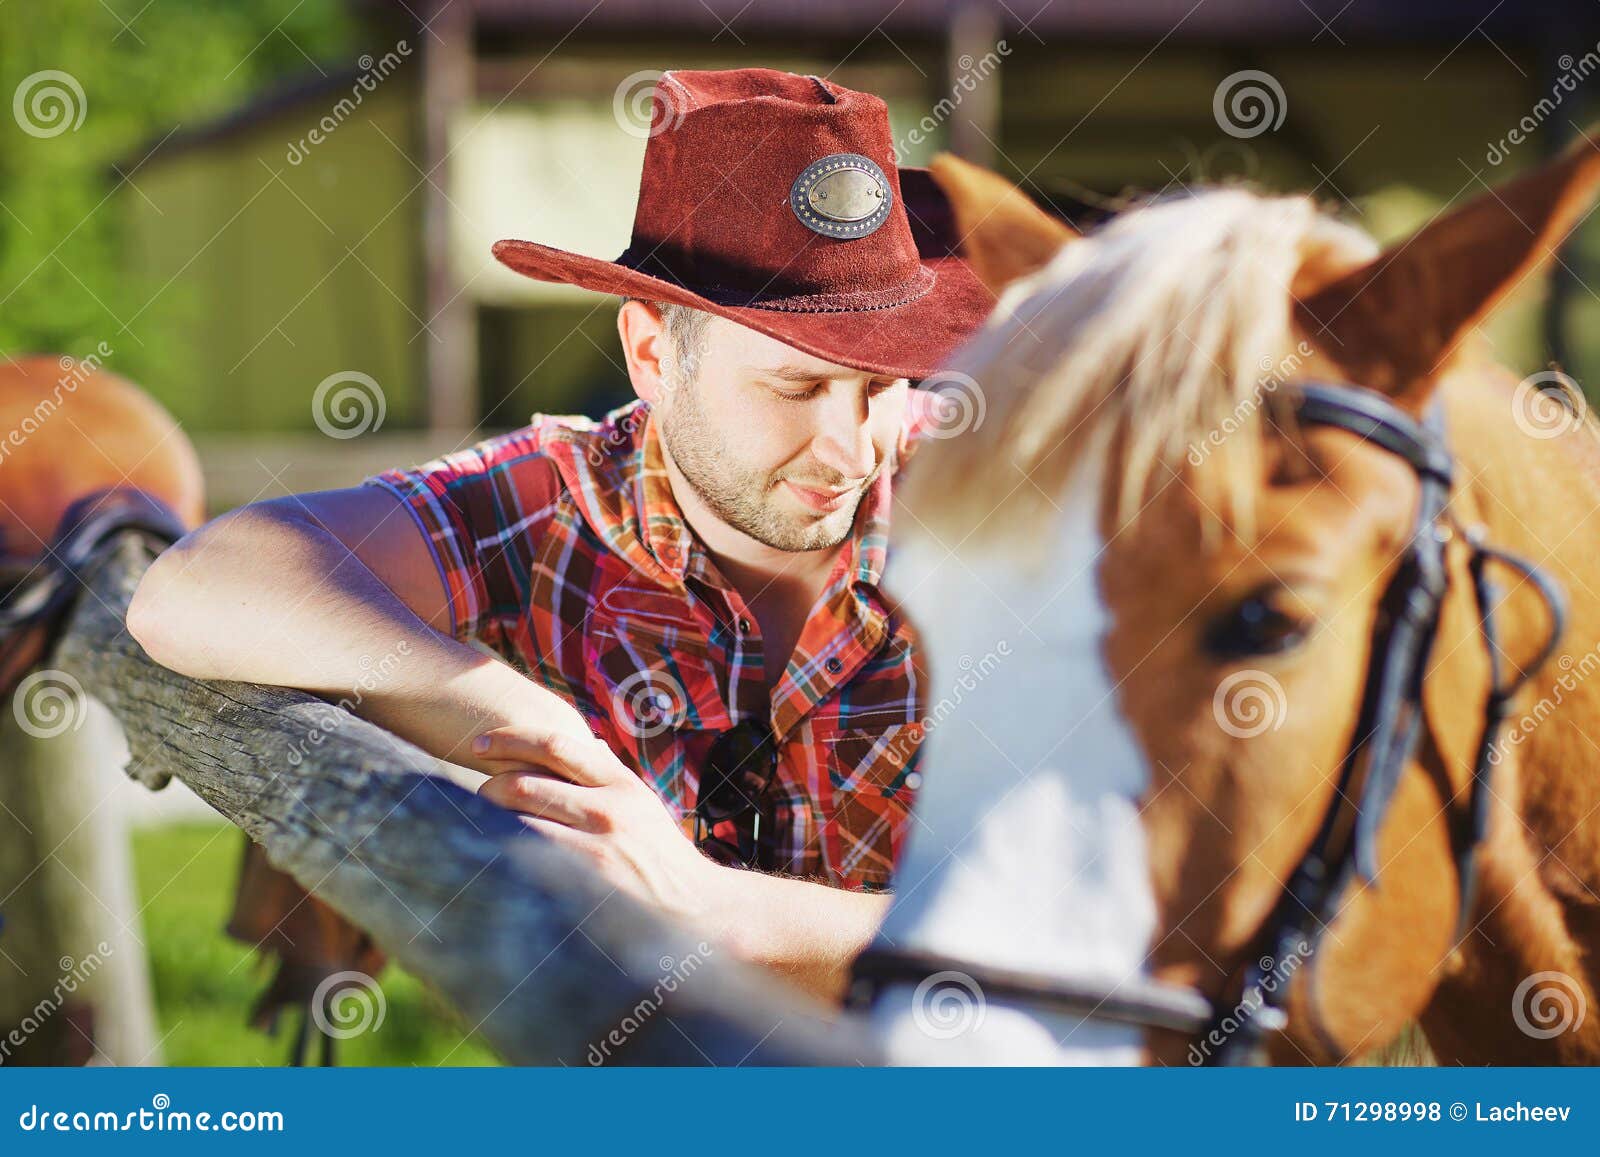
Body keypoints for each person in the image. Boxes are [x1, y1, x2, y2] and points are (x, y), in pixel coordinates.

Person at [128, 67, 992, 1000]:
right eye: (796, 387)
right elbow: (193, 587)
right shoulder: (552, 501)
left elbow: (1116, 929)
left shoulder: (1005, 494)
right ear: (654, 356)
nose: (851, 446)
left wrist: (724, 910)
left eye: (883, 381)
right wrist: (508, 710)